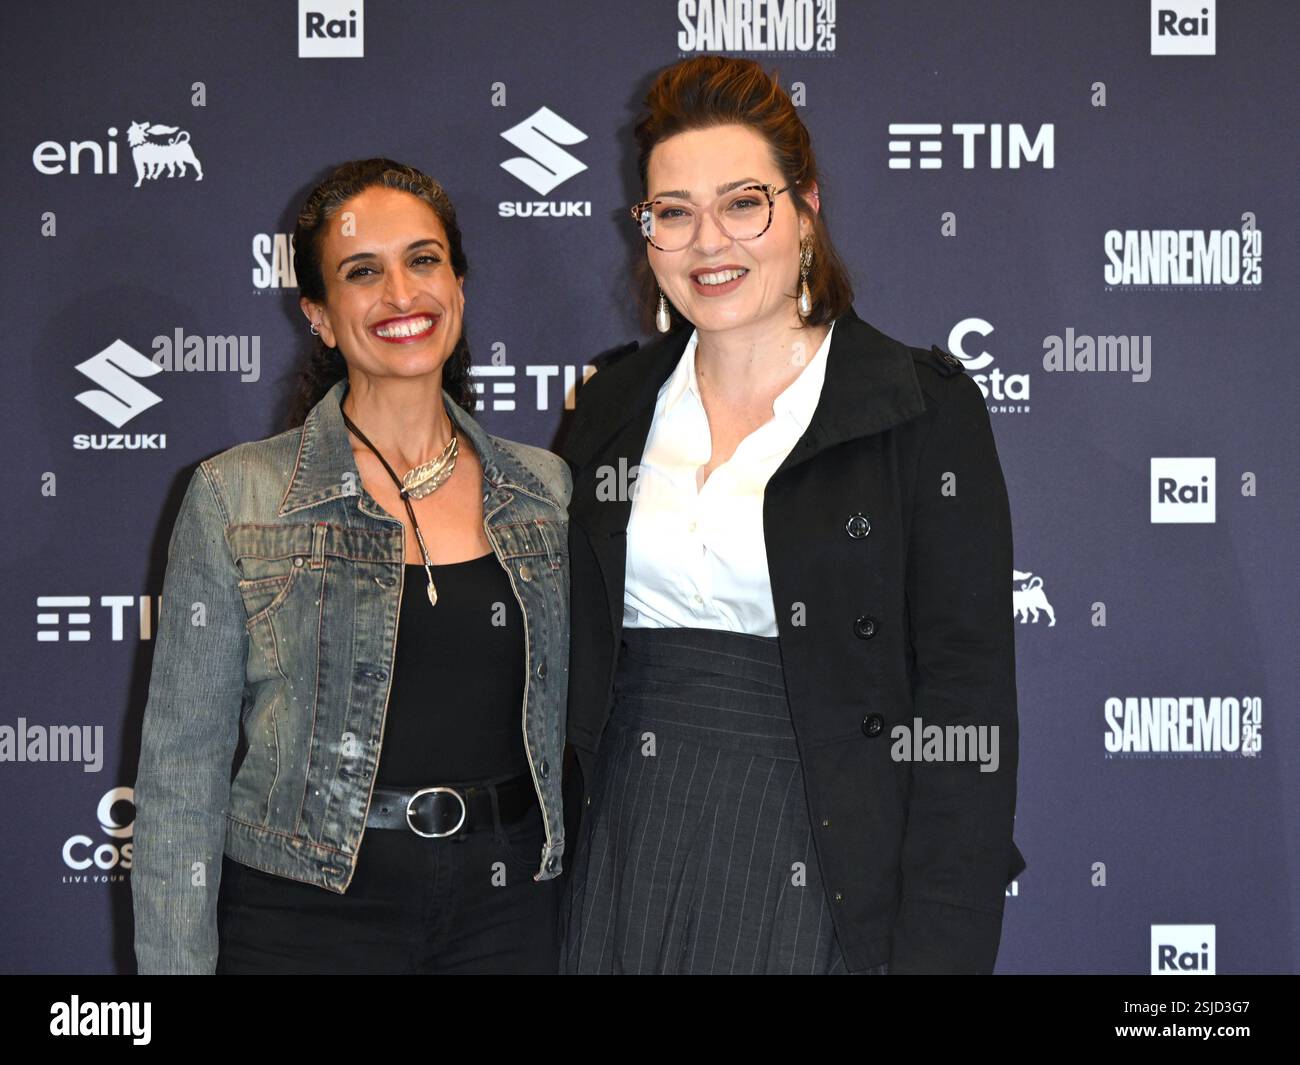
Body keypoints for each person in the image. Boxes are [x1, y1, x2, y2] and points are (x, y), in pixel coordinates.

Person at [559, 57, 1026, 975]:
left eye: (743, 203)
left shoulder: (916, 410)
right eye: (674, 212)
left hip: (822, 858)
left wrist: (943, 950)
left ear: (804, 208)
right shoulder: (611, 406)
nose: (708, 242)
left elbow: (966, 704)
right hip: (618, 851)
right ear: (645, 233)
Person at [132, 159, 571, 974]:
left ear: (460, 288)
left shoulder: (541, 489)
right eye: (362, 272)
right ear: (321, 317)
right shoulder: (239, 494)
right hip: (304, 913)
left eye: (424, 259)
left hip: (507, 911)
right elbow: (181, 774)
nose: (402, 294)